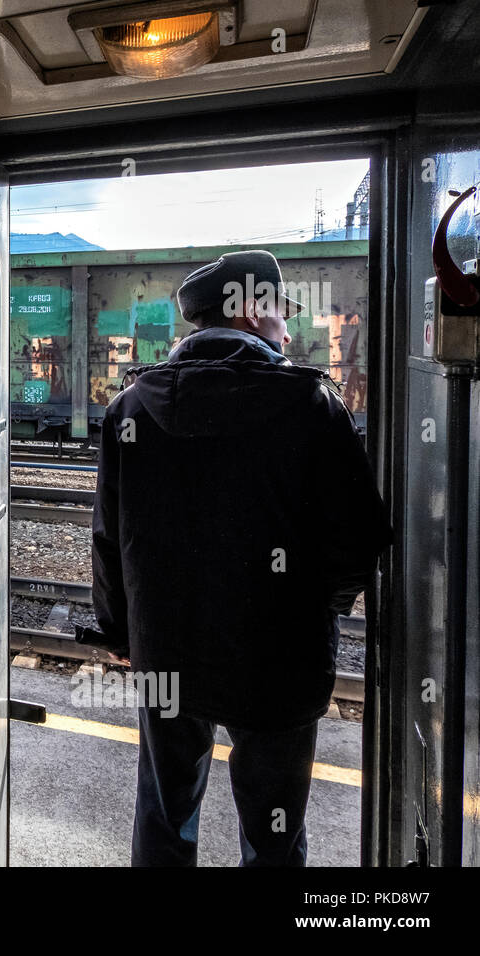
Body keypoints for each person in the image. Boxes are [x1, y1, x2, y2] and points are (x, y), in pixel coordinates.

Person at [86, 250, 392, 866]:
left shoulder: (132, 409)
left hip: (167, 655)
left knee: (164, 821)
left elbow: (110, 541)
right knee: (273, 839)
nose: (289, 325)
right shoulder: (310, 405)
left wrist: (121, 631)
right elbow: (361, 538)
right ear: (253, 312)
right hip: (279, 664)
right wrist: (318, 609)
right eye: (282, 310)